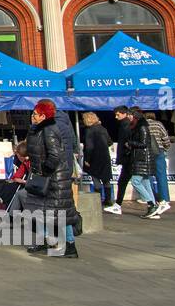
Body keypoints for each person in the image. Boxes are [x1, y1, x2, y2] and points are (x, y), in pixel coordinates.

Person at [22, 99, 78, 257]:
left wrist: (45, 169)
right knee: (41, 210)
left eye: (35, 114)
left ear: (43, 115)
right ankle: (45, 239)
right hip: (45, 175)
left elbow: (55, 154)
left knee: (61, 212)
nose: (33, 116)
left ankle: (70, 244)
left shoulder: (49, 129)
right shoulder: (39, 129)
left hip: (54, 177)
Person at [124, 108, 159, 219]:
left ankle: (151, 204)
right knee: (145, 182)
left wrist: (130, 143)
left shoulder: (142, 127)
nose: (128, 117)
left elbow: (144, 143)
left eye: (129, 115)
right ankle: (153, 208)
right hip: (141, 158)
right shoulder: (137, 126)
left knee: (135, 181)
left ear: (134, 116)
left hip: (142, 159)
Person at [81, 112, 115, 211]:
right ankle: (108, 200)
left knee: (96, 179)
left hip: (94, 157)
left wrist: (87, 159)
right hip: (105, 156)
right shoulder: (102, 128)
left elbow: (89, 147)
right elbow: (110, 142)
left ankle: (98, 200)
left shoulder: (89, 131)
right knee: (106, 179)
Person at [145, 111, 173, 216]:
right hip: (159, 151)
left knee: (147, 176)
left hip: (147, 152)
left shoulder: (144, 125)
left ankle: (152, 198)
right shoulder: (159, 124)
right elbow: (165, 138)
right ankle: (165, 198)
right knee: (161, 176)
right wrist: (165, 147)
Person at [109, 105, 134, 214]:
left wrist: (125, 154)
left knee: (127, 182)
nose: (116, 117)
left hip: (128, 159)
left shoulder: (125, 125)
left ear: (124, 114)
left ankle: (118, 205)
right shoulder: (126, 125)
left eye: (118, 114)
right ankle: (153, 203)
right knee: (141, 182)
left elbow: (127, 142)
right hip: (129, 158)